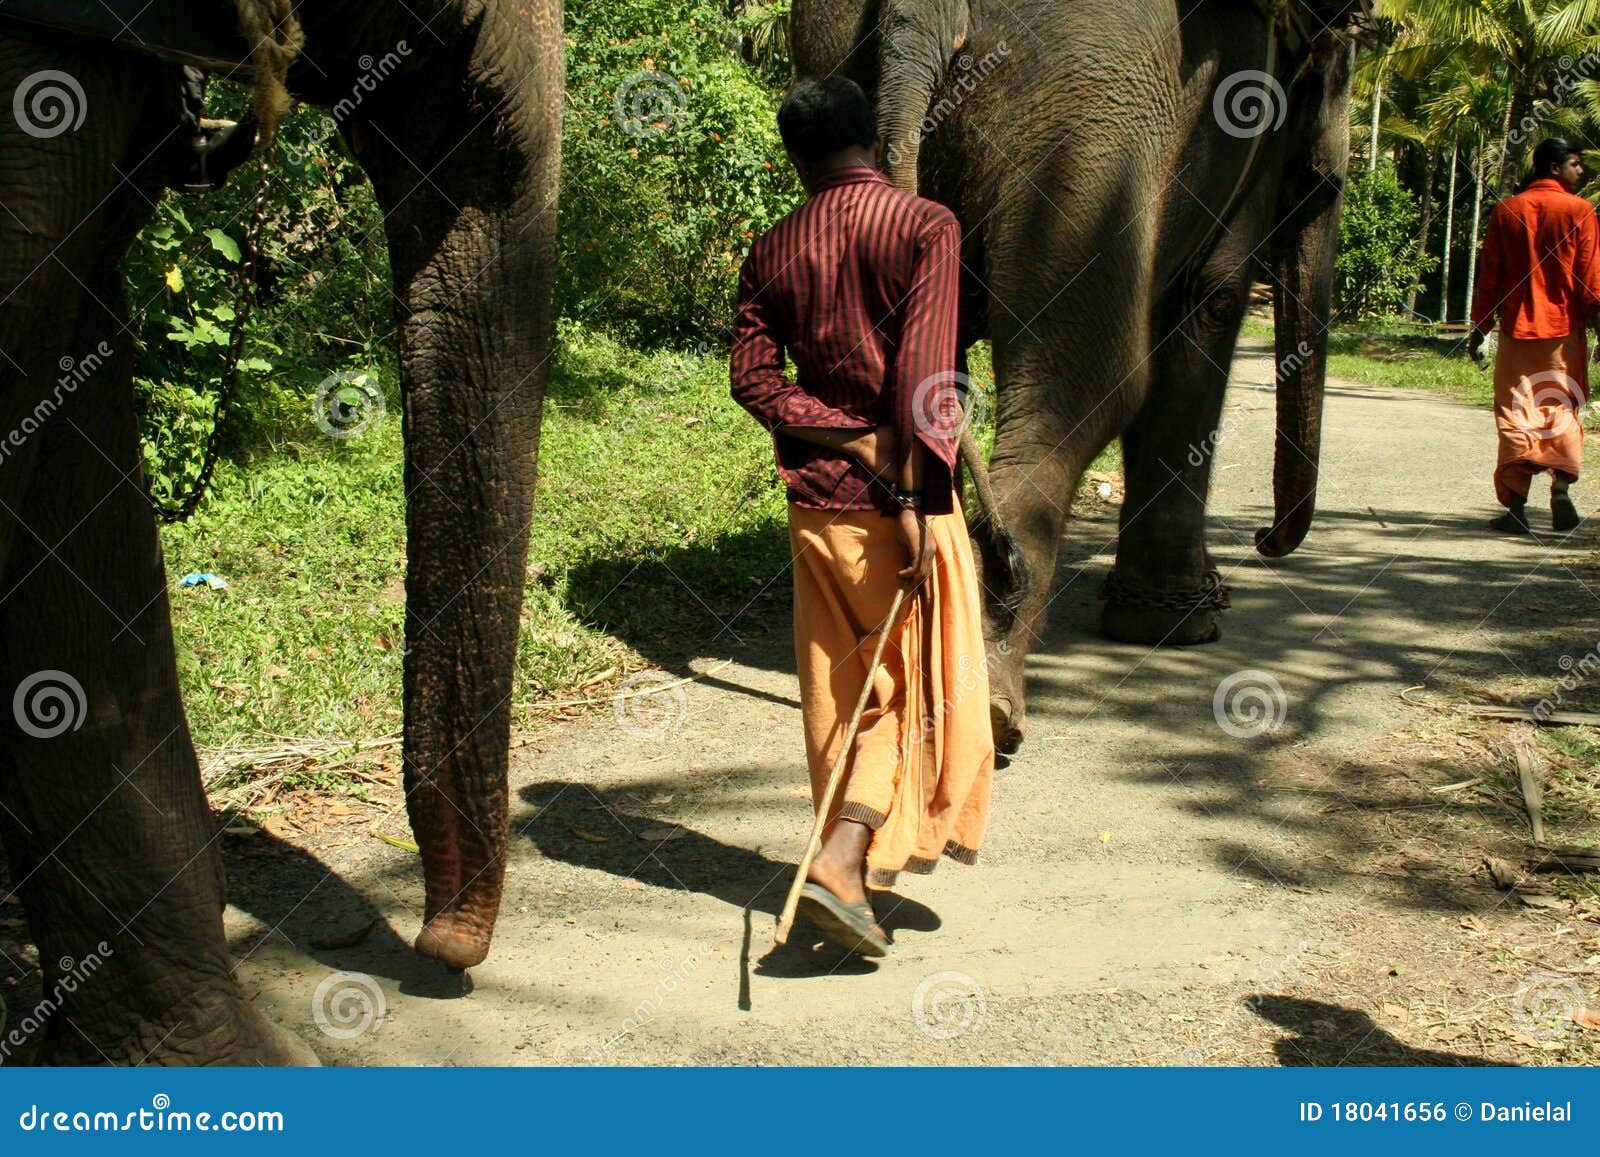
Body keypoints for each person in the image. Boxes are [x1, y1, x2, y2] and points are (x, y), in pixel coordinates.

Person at [730, 76, 995, 956]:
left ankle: (855, 874)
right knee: (910, 692)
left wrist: (842, 436)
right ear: (874, 141)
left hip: (816, 510)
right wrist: (915, 492)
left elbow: (753, 381)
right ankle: (843, 864)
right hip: (901, 506)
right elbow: (928, 371)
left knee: (845, 693)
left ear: (794, 159)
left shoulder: (772, 247)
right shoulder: (927, 226)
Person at [1470, 138, 1600, 534]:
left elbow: (1489, 276)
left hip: (1515, 332)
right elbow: (1591, 279)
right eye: (1576, 164)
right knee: (1561, 406)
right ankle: (1560, 486)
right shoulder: (1580, 211)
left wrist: (1480, 328)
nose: (1583, 171)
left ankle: (1515, 507)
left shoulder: (1507, 210)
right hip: (1564, 333)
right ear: (1555, 167)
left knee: (1515, 411)